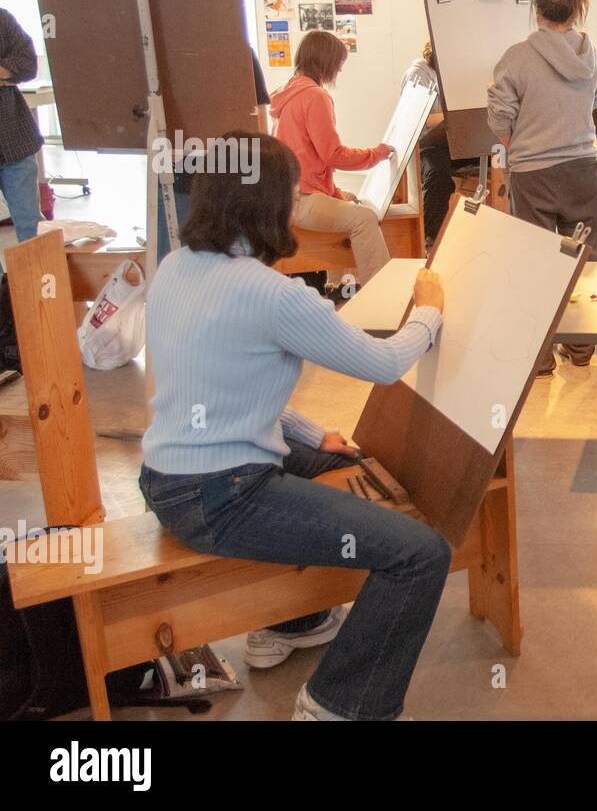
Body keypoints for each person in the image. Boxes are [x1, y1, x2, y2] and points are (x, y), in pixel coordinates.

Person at [139, 132, 450, 721]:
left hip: (166, 479)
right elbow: (383, 364)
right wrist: (430, 310)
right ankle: (339, 704)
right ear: (272, 206)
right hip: (222, 494)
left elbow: (216, 385)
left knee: (349, 465)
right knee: (420, 555)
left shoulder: (175, 267)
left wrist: (310, 435)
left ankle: (292, 620)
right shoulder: (274, 294)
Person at [487, 0, 597, 376]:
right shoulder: (590, 54)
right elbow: (595, 97)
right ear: (576, 11)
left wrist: (518, 141)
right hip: (581, 170)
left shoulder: (516, 58)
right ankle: (581, 345)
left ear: (536, 8)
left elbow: (499, 119)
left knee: (535, 265)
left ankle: (539, 357)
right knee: (581, 260)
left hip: (533, 174)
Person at [270, 30, 394, 285]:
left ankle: (335, 286)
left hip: (286, 196)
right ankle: (382, 292)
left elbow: (307, 157)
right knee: (365, 219)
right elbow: (333, 155)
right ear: (326, 61)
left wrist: (334, 191)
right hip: (301, 201)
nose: (339, 70)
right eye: (339, 63)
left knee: (348, 202)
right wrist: (377, 154)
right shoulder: (315, 96)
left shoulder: (289, 91)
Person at [402, 42, 474, 245]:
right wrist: (454, 117)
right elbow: (419, 119)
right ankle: (431, 239)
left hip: (459, 140)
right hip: (429, 143)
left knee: (501, 159)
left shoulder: (460, 72)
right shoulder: (419, 74)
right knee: (437, 174)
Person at [0, 8, 45, 243]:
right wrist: (5, 74)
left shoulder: (2, 19)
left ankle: (38, 279)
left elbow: (28, 65)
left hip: (13, 140)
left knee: (30, 224)